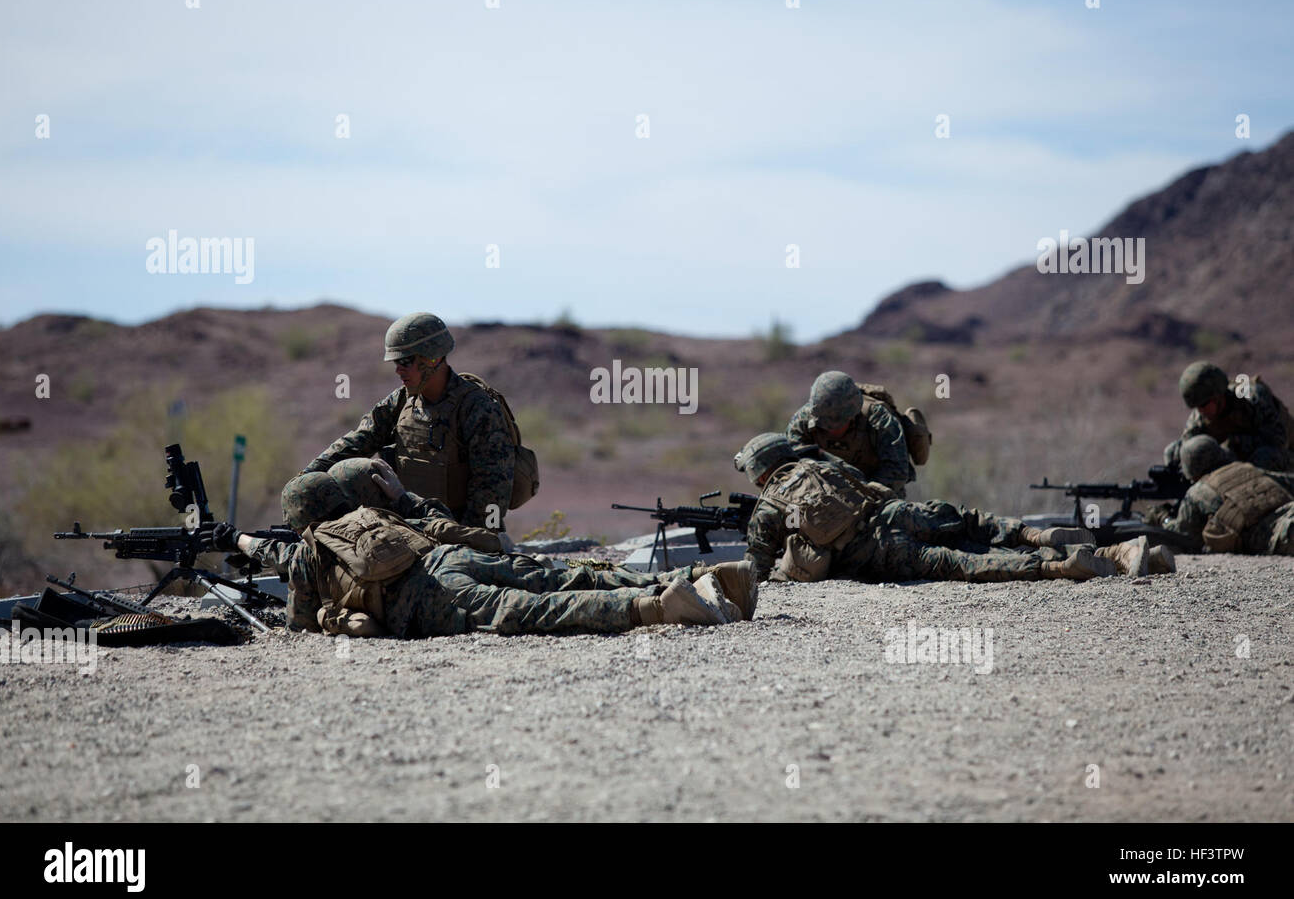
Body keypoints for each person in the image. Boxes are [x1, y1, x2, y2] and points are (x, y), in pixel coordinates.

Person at [208, 460, 757, 637]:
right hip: (451, 556)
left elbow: (299, 623)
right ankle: (697, 582)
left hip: (430, 593)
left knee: (540, 612)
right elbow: (432, 523)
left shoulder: (309, 549)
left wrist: (239, 541)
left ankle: (659, 606)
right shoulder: (372, 511)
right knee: (555, 577)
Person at [734, 433, 1173, 585]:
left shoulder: (769, 505)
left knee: (966, 563)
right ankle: (1042, 537)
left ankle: (1058, 568)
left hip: (873, 552)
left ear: (759, 473)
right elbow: (875, 489)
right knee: (968, 523)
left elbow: (753, 571)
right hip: (894, 514)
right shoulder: (818, 464)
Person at [299, 312, 516, 531]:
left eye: (405, 361)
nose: (398, 370)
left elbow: (493, 487)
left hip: (457, 530)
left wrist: (470, 539)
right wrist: (306, 479)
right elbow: (357, 442)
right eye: (396, 362)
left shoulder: (477, 408)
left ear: (432, 358)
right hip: (409, 524)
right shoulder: (401, 401)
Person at [1155, 435, 1294, 555]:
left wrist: (1162, 517)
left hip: (1278, 534)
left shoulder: (1198, 491)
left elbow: (1183, 535)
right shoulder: (1246, 468)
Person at [785, 371, 917, 496]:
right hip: (823, 492)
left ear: (854, 414)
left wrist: (864, 494)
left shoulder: (878, 419)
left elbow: (897, 470)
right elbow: (790, 465)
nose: (832, 430)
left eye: (839, 422)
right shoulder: (803, 421)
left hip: (876, 491)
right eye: (825, 424)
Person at [1163, 362, 1293, 473]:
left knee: (1264, 457)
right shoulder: (1199, 418)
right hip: (1239, 464)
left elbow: (1278, 440)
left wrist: (1235, 444)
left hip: (1285, 459)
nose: (1200, 411)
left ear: (1218, 396)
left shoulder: (1250, 400)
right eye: (1196, 407)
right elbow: (1189, 445)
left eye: (1203, 405)